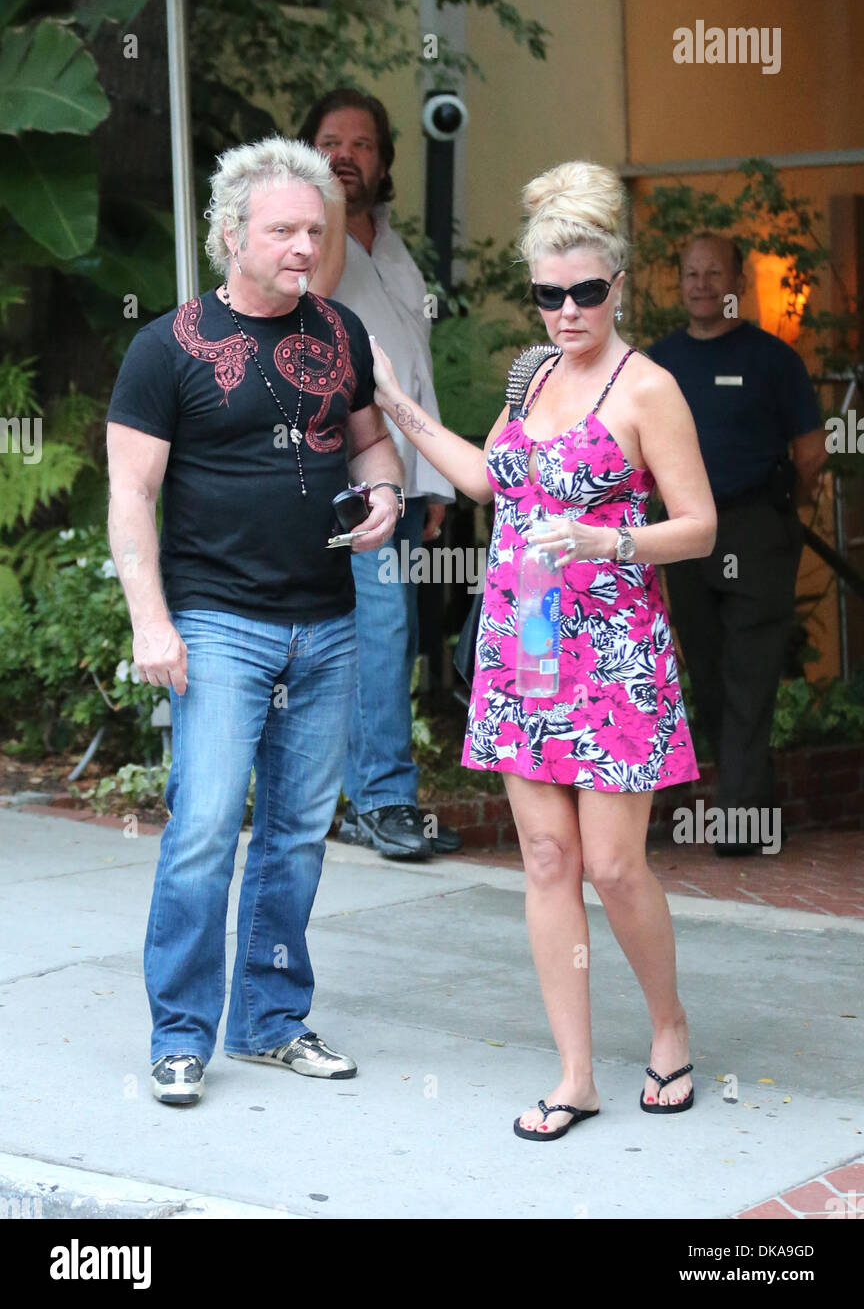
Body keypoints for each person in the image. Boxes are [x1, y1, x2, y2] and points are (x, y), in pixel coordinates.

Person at [367, 161, 717, 1138]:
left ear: (617, 283)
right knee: (546, 855)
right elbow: (488, 481)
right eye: (548, 294)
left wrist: (614, 540)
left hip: (613, 651)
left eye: (585, 293)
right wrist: (399, 406)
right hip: (523, 646)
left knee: (612, 865)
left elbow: (700, 525)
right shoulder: (531, 375)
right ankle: (574, 1073)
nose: (566, 311)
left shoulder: (648, 387)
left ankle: (669, 1025)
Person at [105, 137, 405, 1106]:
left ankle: (271, 1021)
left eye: (314, 230)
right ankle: (181, 1032)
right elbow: (129, 496)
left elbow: (371, 446)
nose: (304, 246)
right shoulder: (166, 347)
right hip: (219, 623)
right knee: (202, 827)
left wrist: (388, 497)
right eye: (282, 229)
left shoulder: (343, 332)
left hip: (326, 619)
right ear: (230, 233)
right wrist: (152, 623)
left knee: (298, 834)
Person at [296, 88, 461, 862]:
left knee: (377, 638)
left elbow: (412, 376)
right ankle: (383, 801)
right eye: (329, 141)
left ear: (385, 161)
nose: (345, 154)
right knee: (381, 629)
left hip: (401, 476)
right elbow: (313, 300)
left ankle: (365, 797)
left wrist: (431, 483)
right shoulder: (312, 235)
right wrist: (321, 199)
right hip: (343, 468)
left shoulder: (391, 244)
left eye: (361, 144)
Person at [648, 234, 824, 855]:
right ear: (679, 281)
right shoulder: (657, 362)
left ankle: (741, 824)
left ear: (737, 282)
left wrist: (781, 516)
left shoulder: (774, 359)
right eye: (689, 272)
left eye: (712, 272)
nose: (699, 283)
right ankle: (753, 802)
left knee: (750, 673)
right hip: (683, 533)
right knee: (711, 672)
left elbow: (811, 452)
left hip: (756, 529)